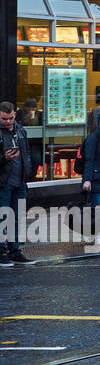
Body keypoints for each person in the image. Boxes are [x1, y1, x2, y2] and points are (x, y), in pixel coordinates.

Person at [0, 103, 34, 265]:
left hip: (20, 181)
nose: (7, 122)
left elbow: (26, 152)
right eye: (3, 119)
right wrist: (4, 158)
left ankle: (14, 250)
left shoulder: (20, 130)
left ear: (15, 114)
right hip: (3, 182)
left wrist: (28, 172)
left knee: (16, 218)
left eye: (10, 118)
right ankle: (1, 251)